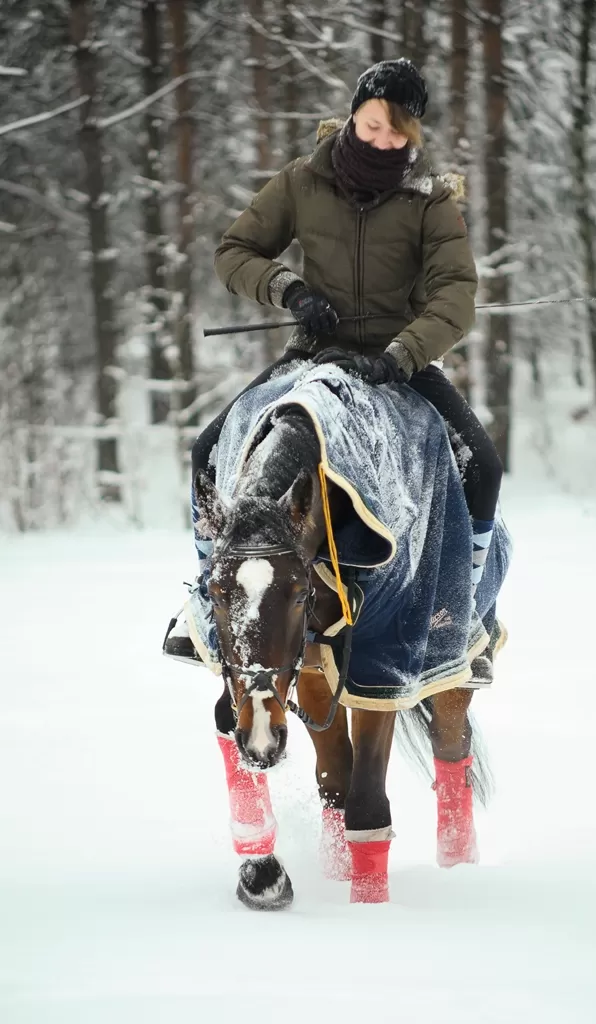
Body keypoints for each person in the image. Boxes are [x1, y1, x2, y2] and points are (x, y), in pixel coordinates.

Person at [165, 58, 502, 664]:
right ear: (353, 115)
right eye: (373, 124)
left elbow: (455, 296)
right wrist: (289, 290)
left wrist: (403, 353)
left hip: (400, 363)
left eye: (398, 131)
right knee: (206, 450)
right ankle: (209, 598)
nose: (383, 139)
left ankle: (463, 615)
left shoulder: (431, 201)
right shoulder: (300, 181)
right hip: (314, 355)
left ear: (413, 134)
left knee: (483, 466)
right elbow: (234, 250)